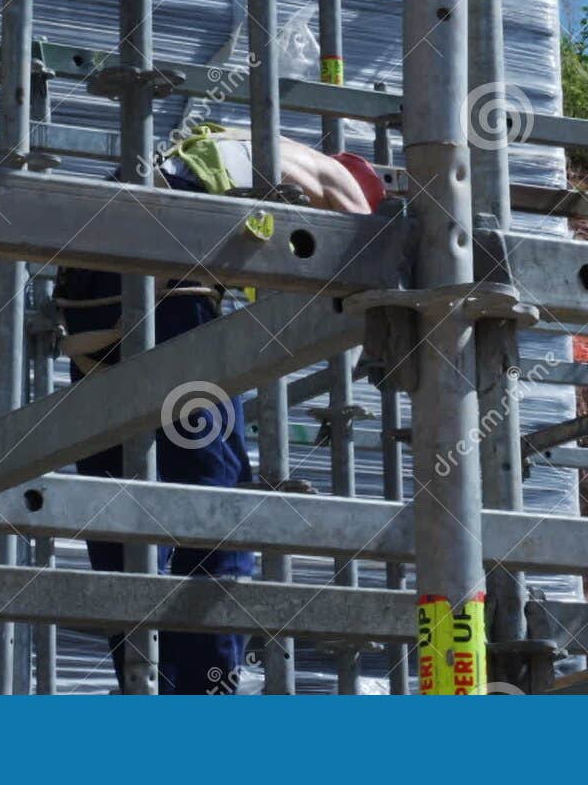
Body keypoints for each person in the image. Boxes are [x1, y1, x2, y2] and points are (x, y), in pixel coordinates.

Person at [55, 124, 386, 694]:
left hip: (91, 293)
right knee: (218, 501)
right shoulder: (332, 179)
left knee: (116, 508)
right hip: (162, 285)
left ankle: (142, 683)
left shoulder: (219, 154)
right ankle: (205, 692)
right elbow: (374, 262)